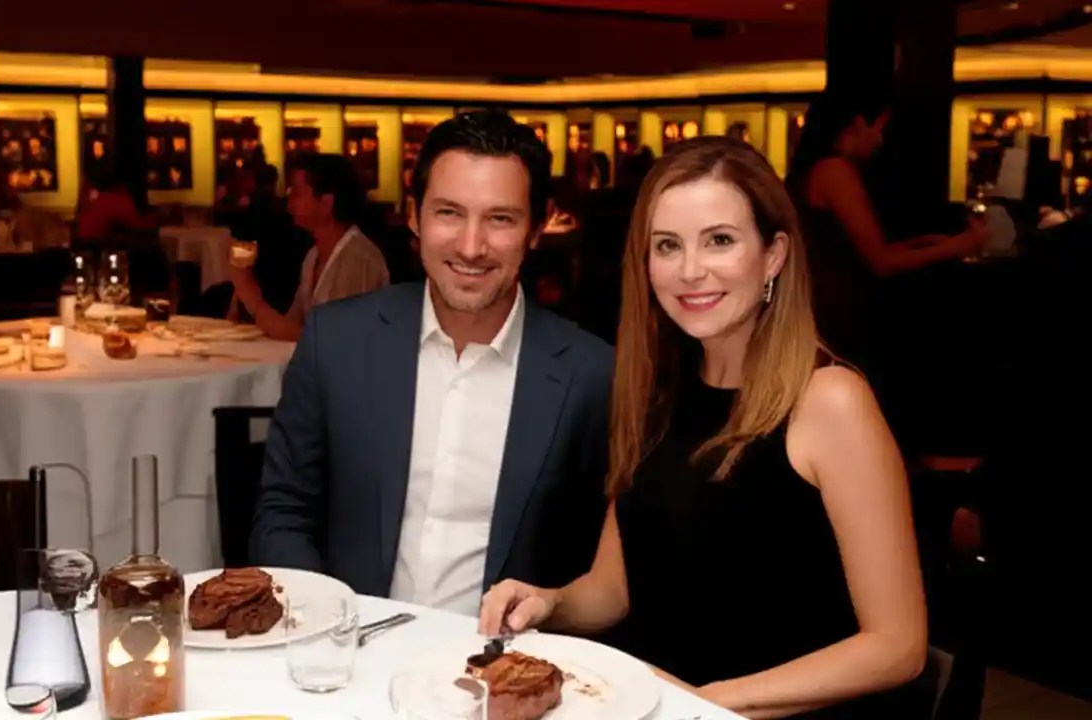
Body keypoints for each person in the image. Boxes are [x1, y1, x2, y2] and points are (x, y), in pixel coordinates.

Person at [480, 137, 927, 718]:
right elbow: (614, 590)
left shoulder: (831, 401)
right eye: (668, 246)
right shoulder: (658, 394)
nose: (690, 271)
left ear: (774, 255)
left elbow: (897, 647)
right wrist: (548, 600)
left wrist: (707, 704)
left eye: (719, 240)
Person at [250, 110, 613, 615]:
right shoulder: (336, 341)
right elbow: (284, 512)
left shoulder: (591, 375)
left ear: (537, 226)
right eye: (449, 213)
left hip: (503, 671)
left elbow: (601, 567)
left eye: (500, 218)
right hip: (348, 657)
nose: (471, 246)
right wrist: (325, 626)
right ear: (415, 215)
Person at [784, 92, 986, 363]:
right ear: (858, 124)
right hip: (836, 315)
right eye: (879, 128)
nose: (880, 140)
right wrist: (955, 247)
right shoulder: (834, 171)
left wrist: (920, 245)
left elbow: (853, 246)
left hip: (821, 310)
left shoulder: (816, 169)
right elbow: (881, 261)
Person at [228, 154, 389, 340]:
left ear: (326, 202)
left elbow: (332, 340)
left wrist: (251, 297)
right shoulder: (313, 256)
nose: (289, 202)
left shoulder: (359, 260)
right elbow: (292, 325)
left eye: (296, 192)